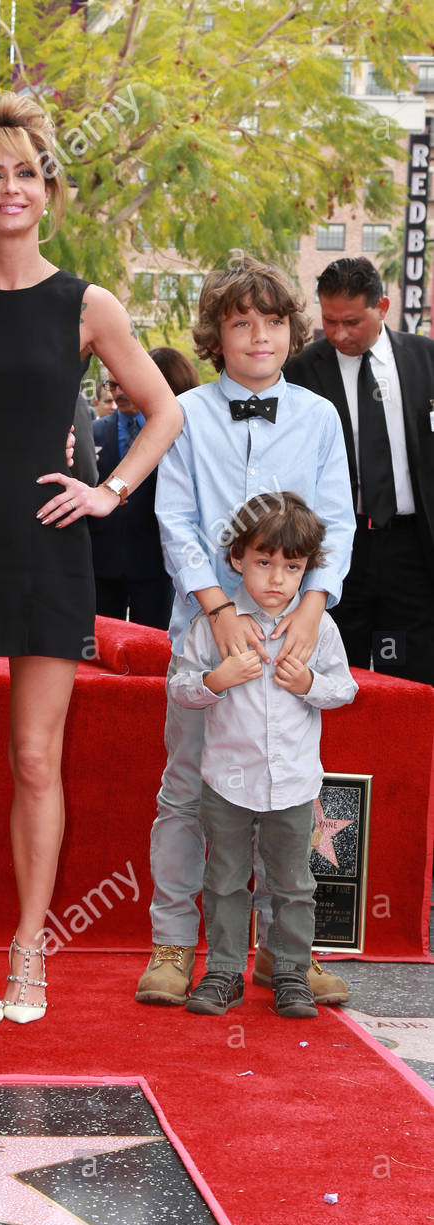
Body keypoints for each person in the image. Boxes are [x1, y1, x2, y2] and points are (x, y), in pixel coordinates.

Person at [0, 92, 183, 1026]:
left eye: (25, 173)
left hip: (47, 549)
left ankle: (31, 944)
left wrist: (107, 492)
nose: (9, 189)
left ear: (48, 190)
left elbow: (165, 411)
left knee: (34, 756)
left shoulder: (86, 303)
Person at [141, 257, 356, 1007]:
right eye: (240, 323)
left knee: (282, 797)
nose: (257, 336)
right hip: (207, 630)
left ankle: (278, 955)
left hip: (292, 631)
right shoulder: (187, 413)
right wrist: (215, 605)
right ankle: (172, 943)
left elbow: (335, 518)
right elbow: (174, 519)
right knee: (186, 791)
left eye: (270, 321)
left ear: (291, 329)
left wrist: (311, 605)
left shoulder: (319, 417)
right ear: (216, 335)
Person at [171, 494, 357, 1017]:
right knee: (225, 879)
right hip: (227, 781)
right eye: (263, 562)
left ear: (307, 569)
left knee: (294, 884)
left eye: (292, 566)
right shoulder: (214, 627)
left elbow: (344, 689)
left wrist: (309, 684)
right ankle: (224, 971)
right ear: (237, 560)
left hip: (294, 783)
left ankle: (291, 971)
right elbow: (181, 688)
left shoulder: (318, 627)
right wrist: (215, 680)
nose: (277, 578)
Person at [284, 256, 434, 686]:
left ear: (382, 307)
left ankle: (405, 754)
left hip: (412, 550)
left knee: (410, 673)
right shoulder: (300, 372)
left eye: (351, 321)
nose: (338, 334)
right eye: (329, 321)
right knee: (334, 669)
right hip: (334, 548)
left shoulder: (425, 361)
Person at [90, 352, 197, 631]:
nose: (119, 392)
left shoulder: (178, 433)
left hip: (156, 566)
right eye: (112, 385)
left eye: (124, 382)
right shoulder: (94, 432)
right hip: (102, 563)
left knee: (154, 651)